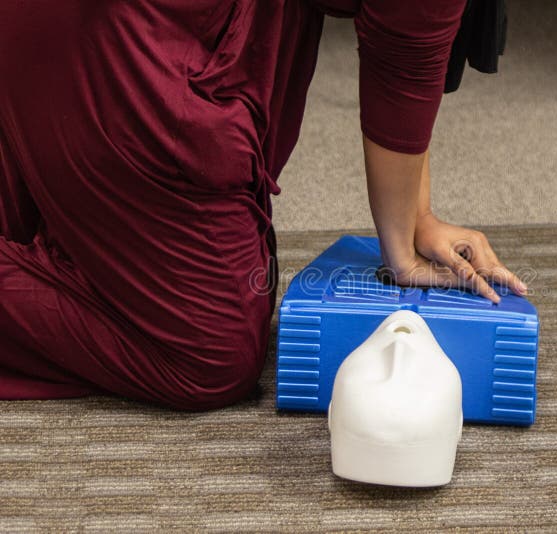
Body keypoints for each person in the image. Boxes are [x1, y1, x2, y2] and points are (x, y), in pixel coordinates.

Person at [0, 0, 526, 410]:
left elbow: (403, 41)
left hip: (54, 31)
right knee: (211, 347)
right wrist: (402, 253)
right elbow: (407, 55)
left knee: (32, 222)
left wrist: (417, 216)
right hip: (122, 47)